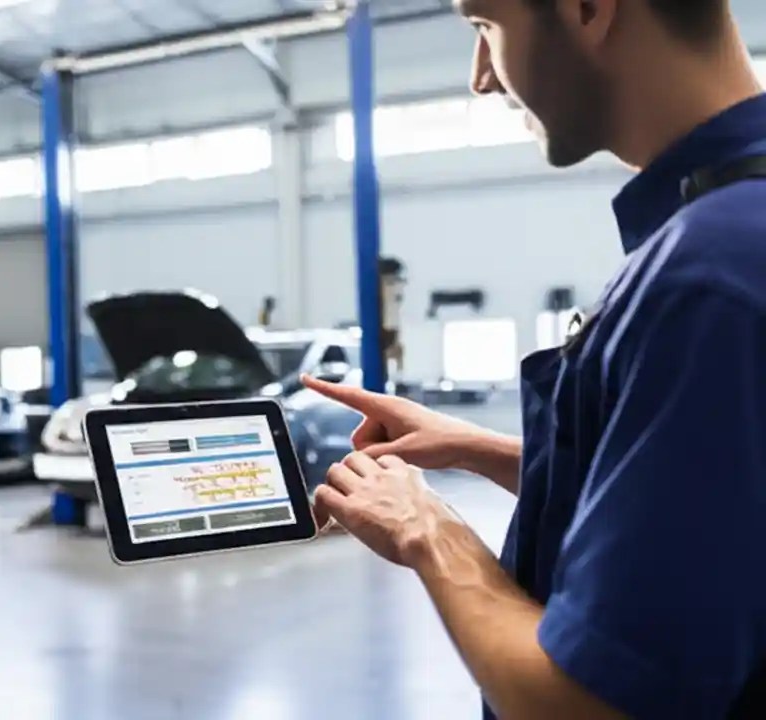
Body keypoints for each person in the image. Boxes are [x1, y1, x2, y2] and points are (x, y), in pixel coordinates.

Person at [306, 0, 766, 717]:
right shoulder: (732, 228)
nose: (482, 77)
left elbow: (583, 705)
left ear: (589, 8)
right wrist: (479, 448)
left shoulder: (710, 275)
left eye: (486, 27)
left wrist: (426, 529)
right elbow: (717, 506)